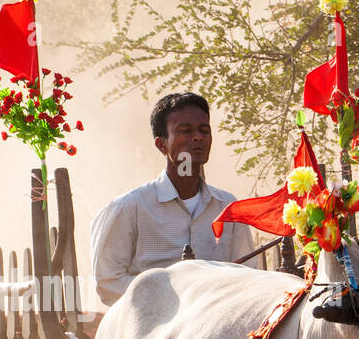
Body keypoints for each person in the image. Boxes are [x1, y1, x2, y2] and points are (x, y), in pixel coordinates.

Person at [89, 92, 260, 306]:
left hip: (218, 327)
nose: (197, 137)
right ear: (162, 145)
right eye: (185, 131)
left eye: (204, 130)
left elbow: (248, 276)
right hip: (152, 331)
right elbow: (108, 283)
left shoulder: (228, 207)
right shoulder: (129, 208)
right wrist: (169, 300)